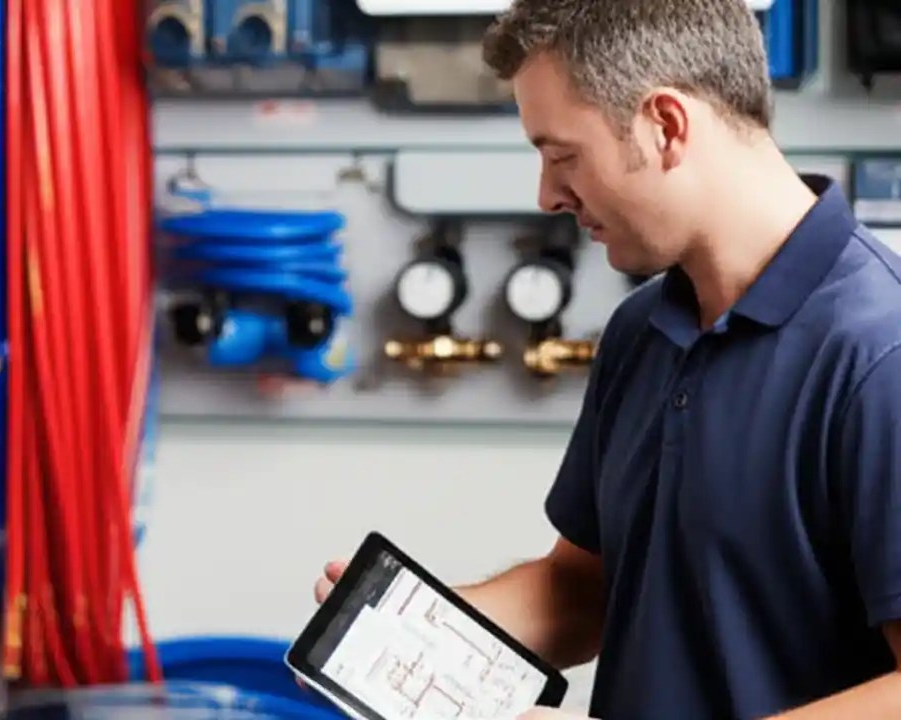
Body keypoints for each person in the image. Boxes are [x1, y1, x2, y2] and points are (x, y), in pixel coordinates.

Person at [313, 1, 901, 718]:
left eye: (563, 156)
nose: (548, 195)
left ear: (667, 126)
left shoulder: (879, 353)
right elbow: (582, 590)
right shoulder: (641, 330)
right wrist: (410, 638)